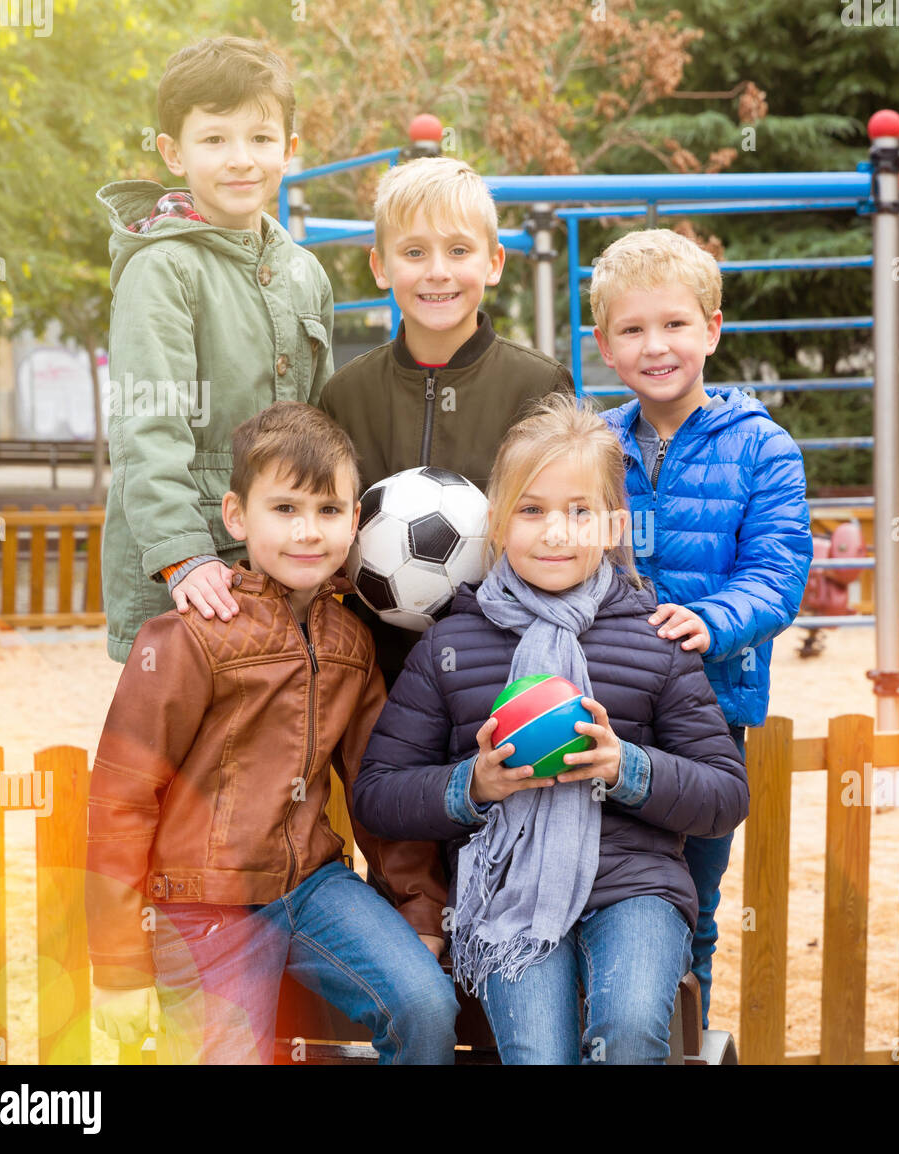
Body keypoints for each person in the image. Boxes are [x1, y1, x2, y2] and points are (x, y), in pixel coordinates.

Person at [352, 393, 748, 1064]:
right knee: (538, 1053)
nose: (555, 532)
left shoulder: (654, 640)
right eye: (531, 511)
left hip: (636, 887)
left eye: (578, 511)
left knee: (627, 1031)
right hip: (507, 896)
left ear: (611, 524)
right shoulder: (453, 645)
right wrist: (469, 785)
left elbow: (725, 795)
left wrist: (629, 768)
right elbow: (378, 792)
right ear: (499, 526)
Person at [85, 403, 458, 1064]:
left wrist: (420, 908)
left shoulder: (352, 640)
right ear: (236, 517)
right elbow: (120, 801)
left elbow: (378, 787)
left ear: (355, 521)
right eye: (284, 510)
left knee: (425, 1005)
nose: (307, 533)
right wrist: (117, 968)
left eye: (328, 511)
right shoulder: (187, 637)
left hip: (312, 888)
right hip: (205, 904)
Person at [590, 228, 812, 1028]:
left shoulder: (763, 449)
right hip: (606, 711)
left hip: (704, 719)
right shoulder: (595, 446)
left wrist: (713, 620)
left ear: (713, 329)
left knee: (690, 908)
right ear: (605, 347)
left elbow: (778, 572)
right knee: (601, 897)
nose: (658, 346)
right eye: (634, 330)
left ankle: (681, 1043)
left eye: (676, 324)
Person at [96, 36, 335, 663]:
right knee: (179, 754)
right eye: (214, 139)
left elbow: (320, 426)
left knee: (274, 745)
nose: (241, 160)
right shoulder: (163, 270)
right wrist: (182, 555)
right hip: (188, 575)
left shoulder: (305, 273)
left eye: (260, 139)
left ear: (288, 148)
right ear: (174, 152)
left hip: (284, 562)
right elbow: (147, 427)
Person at [319, 155, 574, 688]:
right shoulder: (347, 393)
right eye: (414, 252)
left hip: (500, 664)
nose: (437, 271)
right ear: (381, 267)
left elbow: (566, 524)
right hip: (374, 667)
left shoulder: (540, 386)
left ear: (494, 262)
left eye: (458, 250)